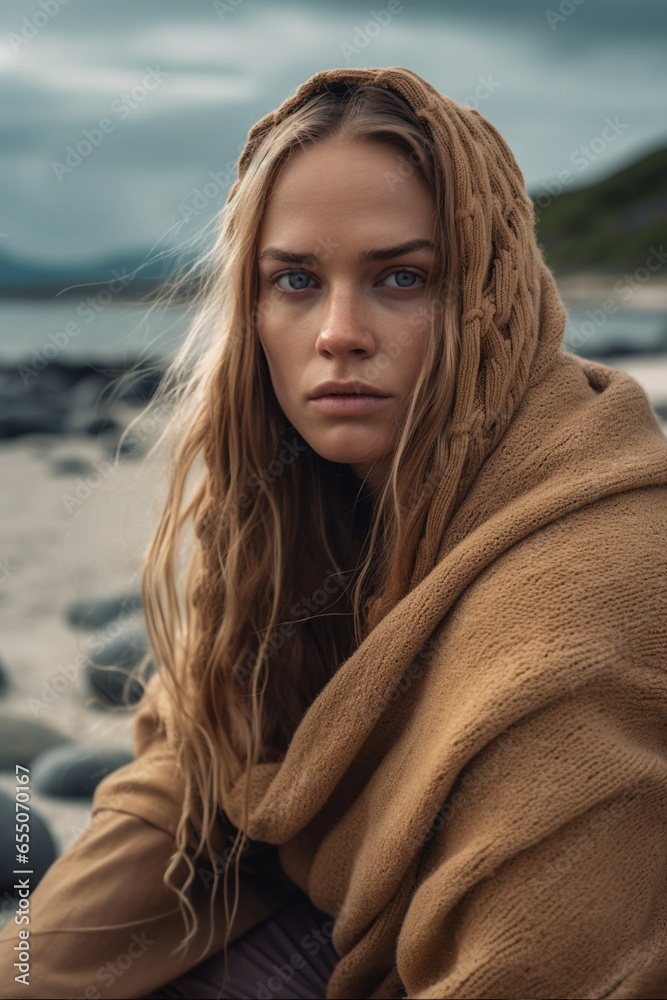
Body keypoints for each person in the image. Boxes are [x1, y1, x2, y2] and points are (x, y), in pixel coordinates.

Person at [2, 64, 667, 1000]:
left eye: (402, 277)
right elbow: (200, 769)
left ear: (494, 295)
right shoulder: (297, 511)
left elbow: (541, 966)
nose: (339, 332)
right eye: (295, 280)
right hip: (338, 915)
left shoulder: (592, 586)